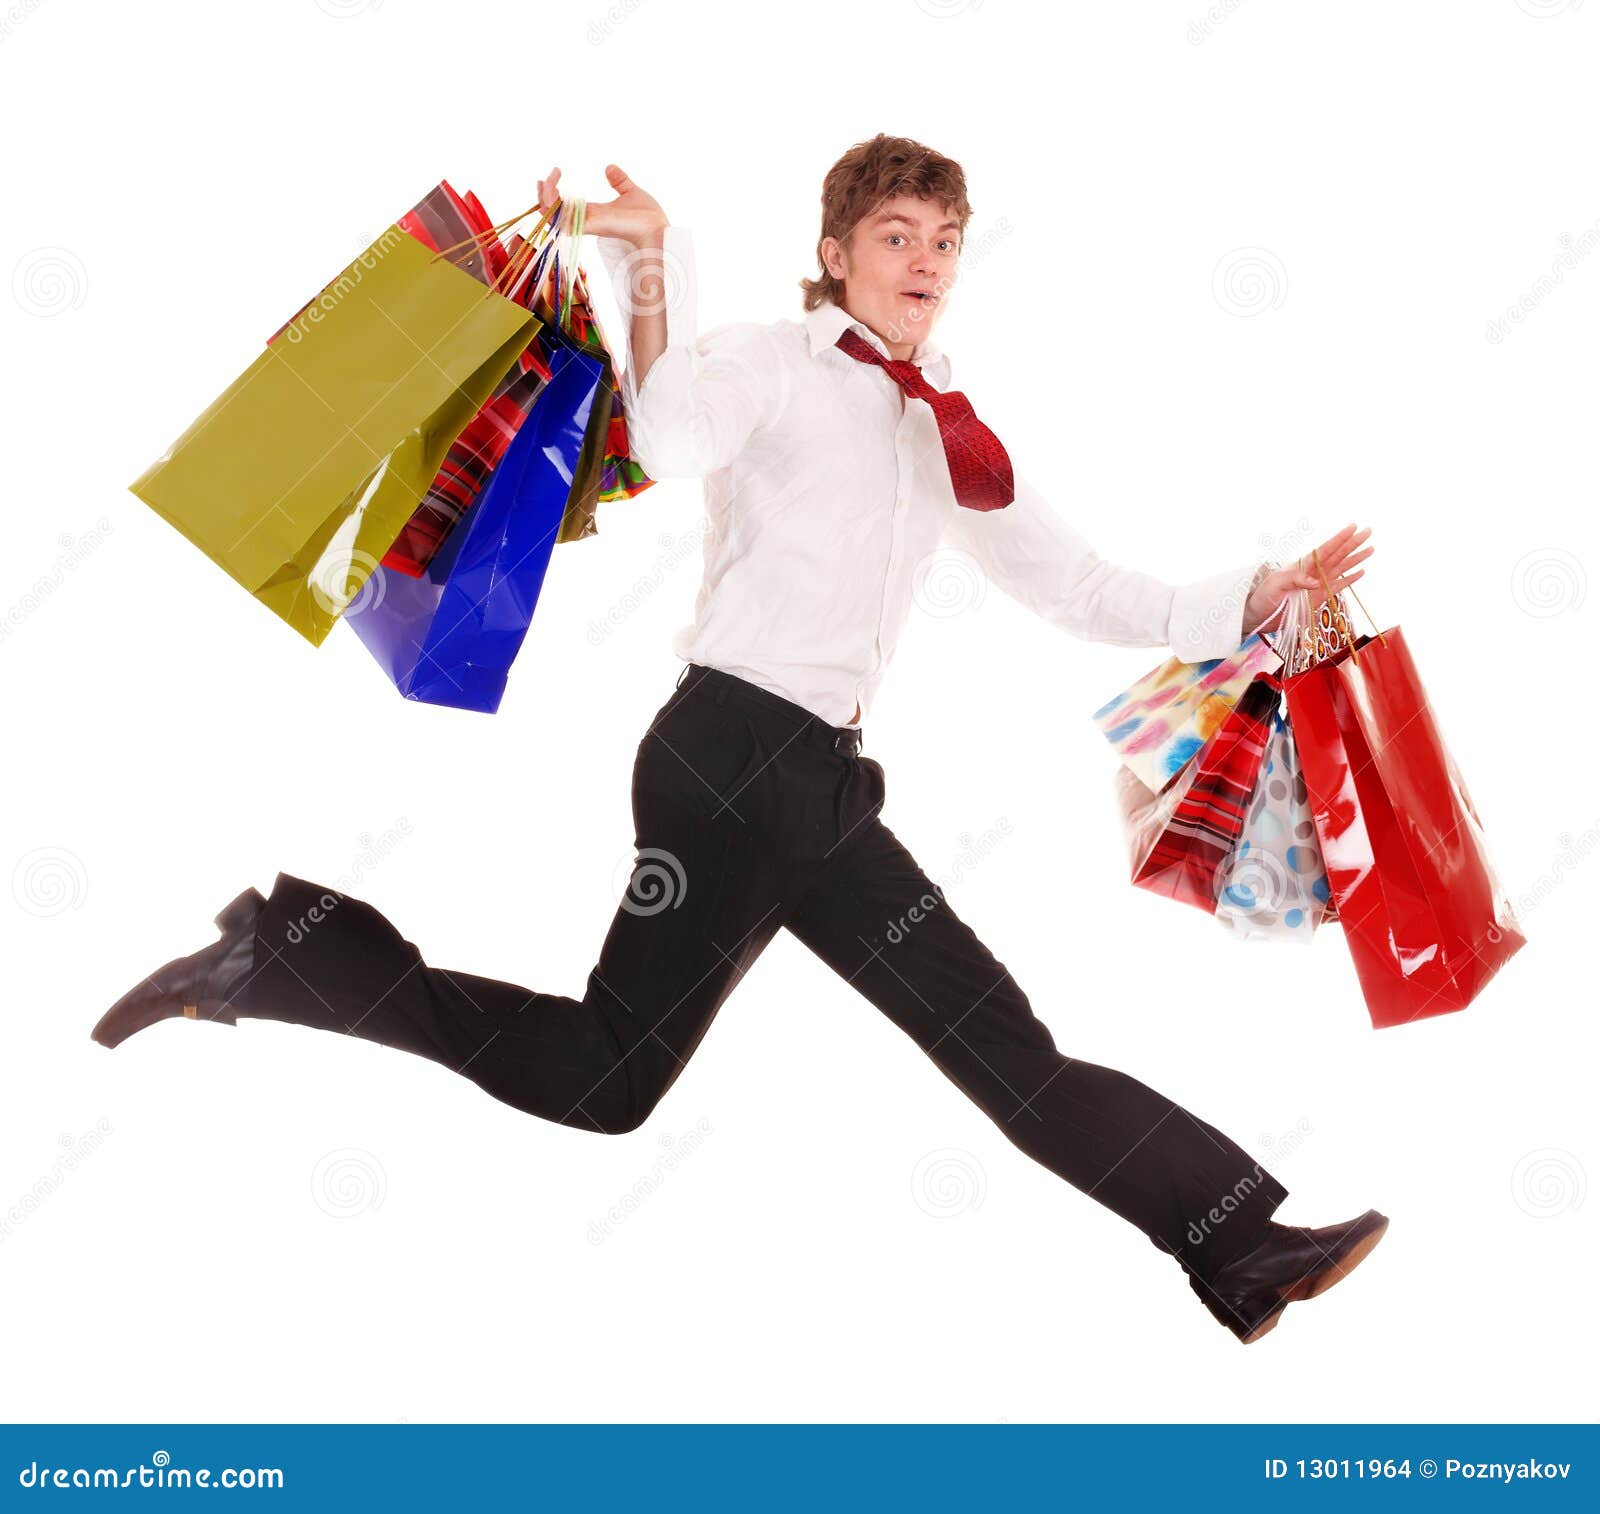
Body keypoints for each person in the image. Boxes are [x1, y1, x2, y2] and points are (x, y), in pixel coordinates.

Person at [93, 134, 1386, 1344]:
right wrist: (650, 258)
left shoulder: (943, 424)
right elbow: (661, 432)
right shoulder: (773, 363)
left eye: (945, 240)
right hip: (728, 754)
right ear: (836, 252)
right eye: (896, 235)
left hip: (817, 788)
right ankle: (277, 959)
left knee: (660, 1073)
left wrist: (1260, 591)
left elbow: (1087, 586)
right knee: (668, 1072)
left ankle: (1236, 1241)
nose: (925, 261)